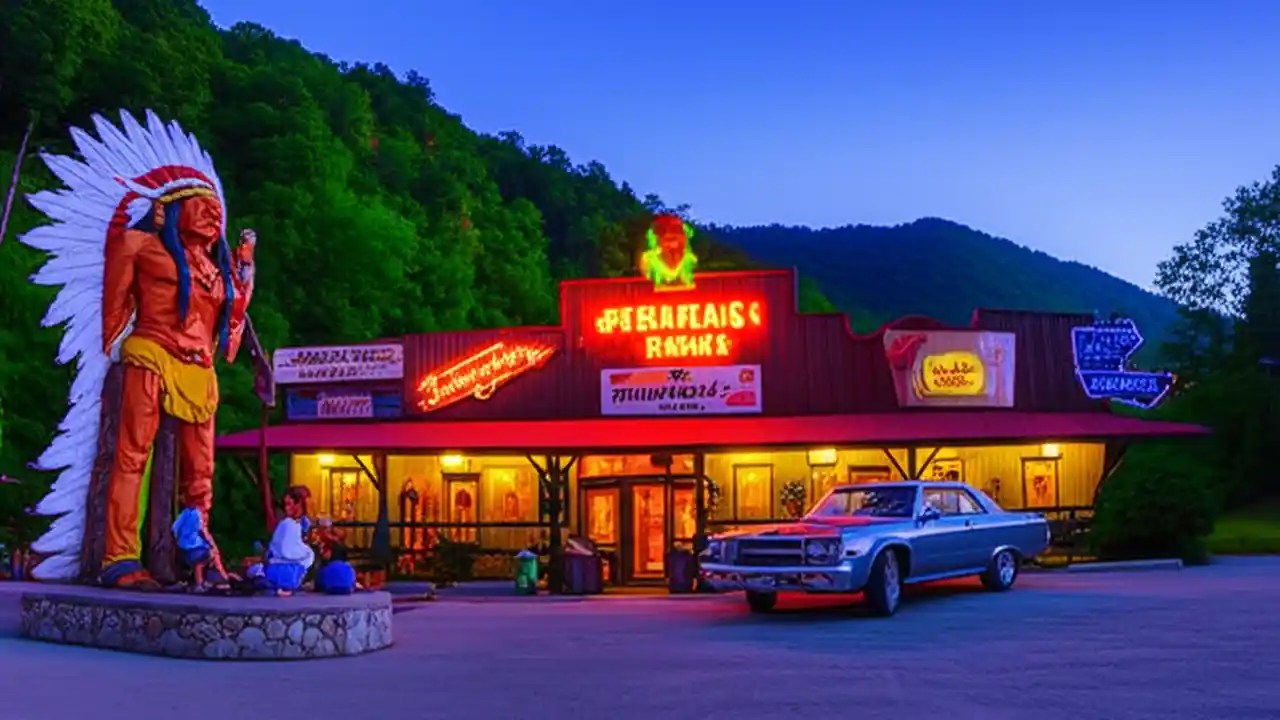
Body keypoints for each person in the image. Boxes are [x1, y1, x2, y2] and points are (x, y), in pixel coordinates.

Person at [260, 486, 315, 596]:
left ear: (299, 504)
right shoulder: (287, 524)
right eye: (285, 504)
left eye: (289, 504)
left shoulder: (304, 523)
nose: (287, 508)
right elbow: (286, 550)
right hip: (284, 566)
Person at [171, 506, 231, 591]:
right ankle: (199, 583)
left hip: (183, 547)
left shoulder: (184, 513)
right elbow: (201, 530)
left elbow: (174, 529)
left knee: (202, 558)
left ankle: (194, 580)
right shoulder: (197, 513)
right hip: (193, 548)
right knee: (202, 560)